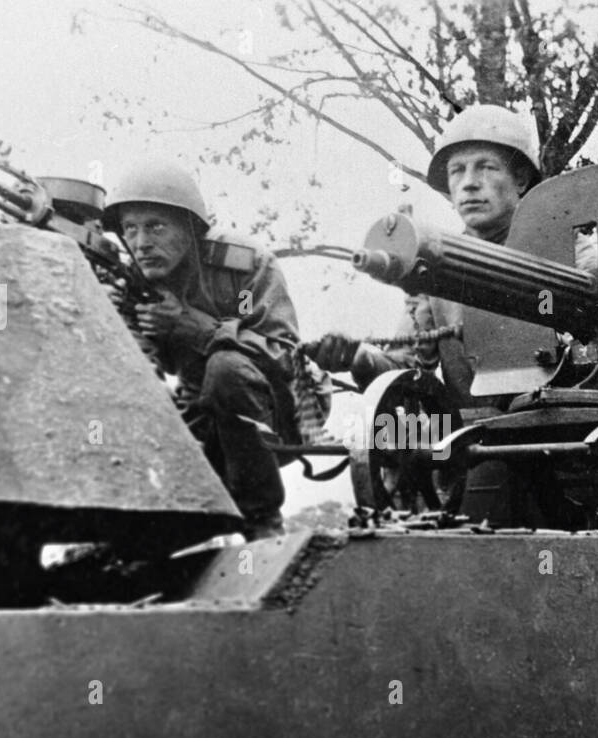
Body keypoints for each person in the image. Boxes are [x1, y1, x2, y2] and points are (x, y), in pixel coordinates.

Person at [102, 160, 301, 541]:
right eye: (130, 229)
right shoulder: (133, 286)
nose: (141, 243)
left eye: (156, 226)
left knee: (226, 368)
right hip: (202, 411)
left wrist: (200, 331)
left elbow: (284, 358)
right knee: (158, 528)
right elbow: (141, 382)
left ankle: (262, 522)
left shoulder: (242, 266)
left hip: (276, 410)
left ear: (190, 227)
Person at [310, 104, 546, 405]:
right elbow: (408, 366)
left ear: (521, 179)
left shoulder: (562, 247)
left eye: (486, 167)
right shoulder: (436, 267)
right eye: (456, 171)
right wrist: (358, 358)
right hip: (478, 443)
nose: (469, 183)